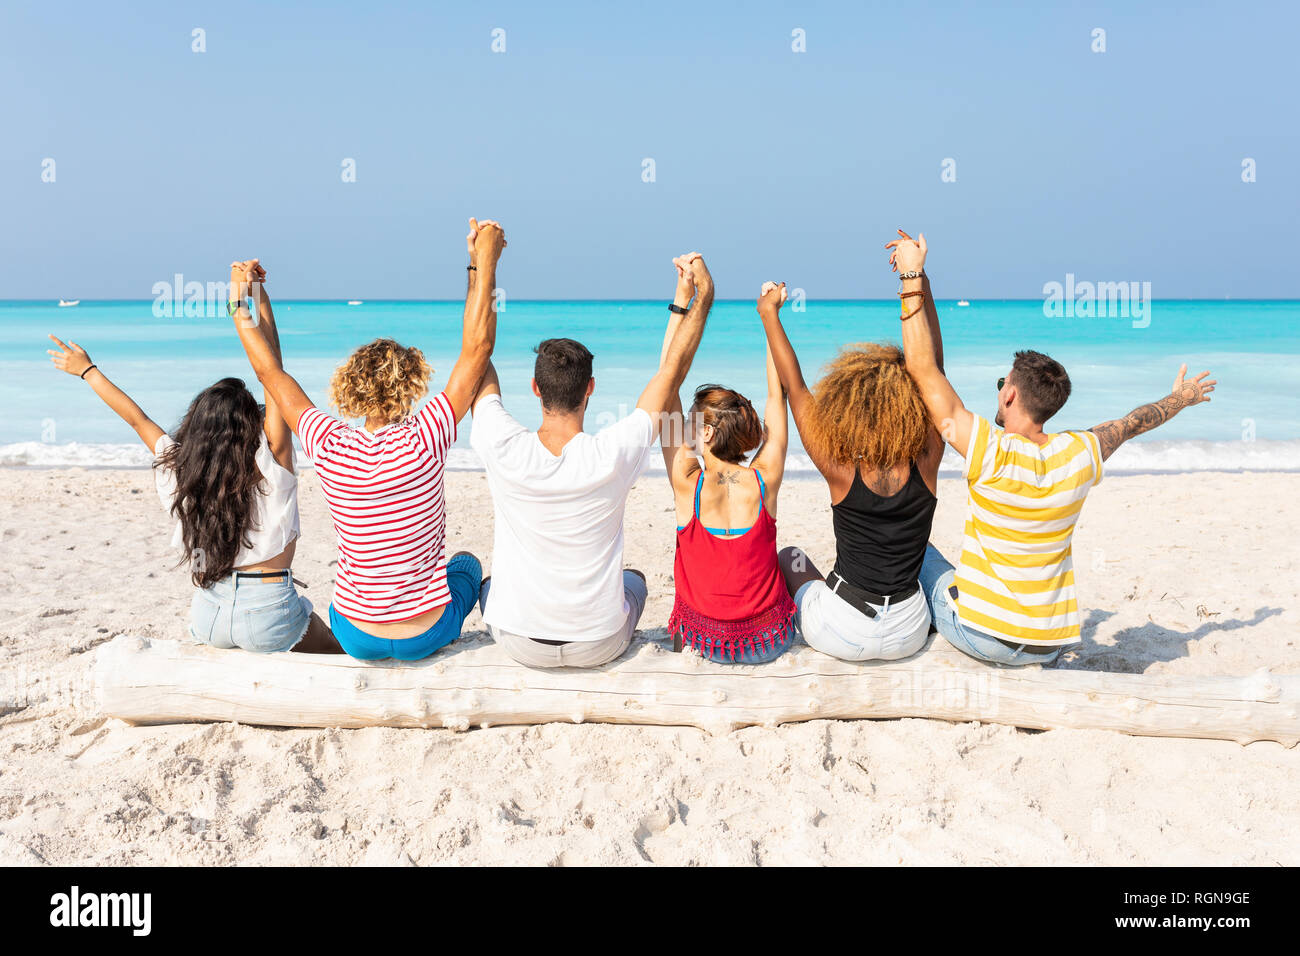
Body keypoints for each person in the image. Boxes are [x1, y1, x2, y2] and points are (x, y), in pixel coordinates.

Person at [888, 229, 1217, 665]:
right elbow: (1133, 423)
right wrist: (1181, 399)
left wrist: (911, 274)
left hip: (984, 637)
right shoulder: (1079, 454)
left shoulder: (990, 451)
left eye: (1002, 383)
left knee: (917, 549)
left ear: (1009, 395)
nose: (1000, 389)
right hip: (1047, 647)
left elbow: (921, 369)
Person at [227, 218, 506, 661]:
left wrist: (242, 302)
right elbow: (477, 350)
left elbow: (270, 374)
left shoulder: (328, 442)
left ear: (349, 387)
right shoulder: (428, 435)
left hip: (356, 635)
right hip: (425, 633)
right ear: (412, 384)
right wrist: (482, 263)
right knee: (467, 565)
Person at [46, 268, 338, 654]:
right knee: (338, 646)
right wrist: (257, 298)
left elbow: (137, 419)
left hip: (208, 614)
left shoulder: (180, 467)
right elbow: (274, 374)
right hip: (267, 612)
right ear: (250, 423)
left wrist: (86, 370)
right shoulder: (271, 461)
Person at [469, 252, 715, 668]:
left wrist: (482, 266)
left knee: (488, 585)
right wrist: (696, 297)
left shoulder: (502, 444)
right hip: (598, 642)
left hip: (520, 642)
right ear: (591, 388)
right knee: (635, 580)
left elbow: (476, 353)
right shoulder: (613, 454)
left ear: (535, 388)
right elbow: (670, 375)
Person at [757, 269, 945, 662]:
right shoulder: (927, 460)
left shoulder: (840, 470)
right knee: (925, 552)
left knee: (790, 556)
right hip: (909, 631)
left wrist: (769, 314)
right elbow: (934, 375)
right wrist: (918, 285)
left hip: (842, 631)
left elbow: (796, 388)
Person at [659, 279, 794, 663]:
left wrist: (681, 300)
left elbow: (666, 381)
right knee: (790, 557)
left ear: (705, 432)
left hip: (702, 643)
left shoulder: (687, 484)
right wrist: (771, 316)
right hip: (768, 643)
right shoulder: (764, 479)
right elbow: (777, 395)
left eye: (690, 420)